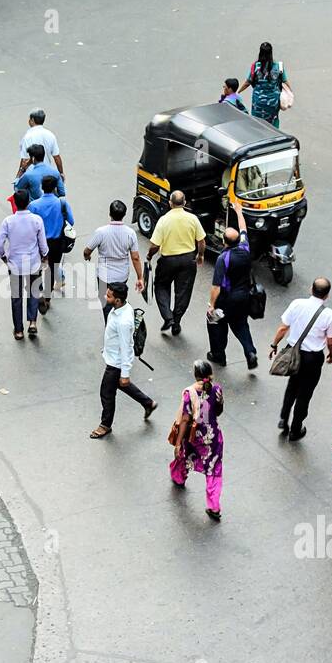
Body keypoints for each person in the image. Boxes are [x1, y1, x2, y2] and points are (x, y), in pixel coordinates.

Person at [269, 278, 332, 441]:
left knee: (292, 386)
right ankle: (295, 429)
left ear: (311, 289)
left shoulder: (296, 304)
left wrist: (274, 344)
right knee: (305, 393)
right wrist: (331, 353)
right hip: (313, 358)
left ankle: (283, 418)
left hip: (294, 354)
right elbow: (331, 340)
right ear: (327, 295)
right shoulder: (330, 315)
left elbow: (283, 328)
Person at [90, 281, 158, 439]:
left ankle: (105, 425)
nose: (105, 297)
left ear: (118, 300)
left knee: (106, 392)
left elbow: (126, 348)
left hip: (116, 363)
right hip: (113, 357)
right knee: (122, 385)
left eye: (108, 296)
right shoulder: (121, 308)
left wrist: (125, 373)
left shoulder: (123, 321)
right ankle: (148, 403)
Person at [170, 360, 225, 522]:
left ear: (196, 375)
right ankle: (214, 505)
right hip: (213, 436)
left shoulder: (189, 393)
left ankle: (179, 477)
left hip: (194, 436)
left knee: (186, 455)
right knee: (214, 469)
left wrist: (178, 443)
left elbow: (185, 420)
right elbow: (219, 411)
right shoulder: (217, 389)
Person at [205, 204, 258, 370]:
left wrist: (212, 305)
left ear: (224, 241)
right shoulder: (245, 247)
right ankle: (250, 352)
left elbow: (216, 286)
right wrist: (239, 212)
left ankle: (218, 355)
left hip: (226, 299)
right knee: (241, 325)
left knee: (216, 324)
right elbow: (243, 228)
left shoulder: (223, 259)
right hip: (244, 297)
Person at [147, 190, 206, 335]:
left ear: (170, 203)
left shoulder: (164, 220)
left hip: (168, 261)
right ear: (184, 203)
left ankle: (168, 317)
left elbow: (155, 245)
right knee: (183, 293)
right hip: (188, 260)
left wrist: (149, 255)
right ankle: (176, 322)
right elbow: (201, 241)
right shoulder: (192, 219)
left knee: (161, 286)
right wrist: (200, 255)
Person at [0, 189, 48, 340]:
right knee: (33, 292)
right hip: (33, 263)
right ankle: (32, 322)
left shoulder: (8, 221)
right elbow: (43, 245)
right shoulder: (37, 220)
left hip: (15, 264)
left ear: (16, 204)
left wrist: (3, 257)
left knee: (16, 296)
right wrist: (44, 256)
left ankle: (18, 330)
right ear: (28, 202)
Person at [84, 200, 145, 321]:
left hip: (103, 276)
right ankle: (121, 322)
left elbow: (87, 250)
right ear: (124, 214)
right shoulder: (130, 233)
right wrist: (140, 277)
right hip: (122, 276)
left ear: (110, 214)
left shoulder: (101, 232)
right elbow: (135, 257)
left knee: (106, 301)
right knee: (119, 300)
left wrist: (87, 256)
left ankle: (110, 326)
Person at [31, 174, 74, 312]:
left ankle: (38, 294)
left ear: (42, 187)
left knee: (36, 270)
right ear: (55, 187)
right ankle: (47, 299)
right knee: (52, 269)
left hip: (39, 243)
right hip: (56, 243)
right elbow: (71, 221)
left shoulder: (34, 205)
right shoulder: (62, 203)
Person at [237, 42, 292, 128]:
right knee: (273, 121)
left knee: (258, 124)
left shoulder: (255, 66)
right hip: (273, 102)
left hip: (258, 102)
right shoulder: (278, 67)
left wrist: (238, 92)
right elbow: (285, 81)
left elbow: (248, 82)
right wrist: (290, 92)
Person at [18, 109, 64, 176]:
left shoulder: (27, 137)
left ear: (32, 120)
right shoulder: (50, 135)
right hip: (46, 176)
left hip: (31, 175)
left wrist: (18, 177)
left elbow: (24, 160)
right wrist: (61, 173)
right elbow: (57, 157)